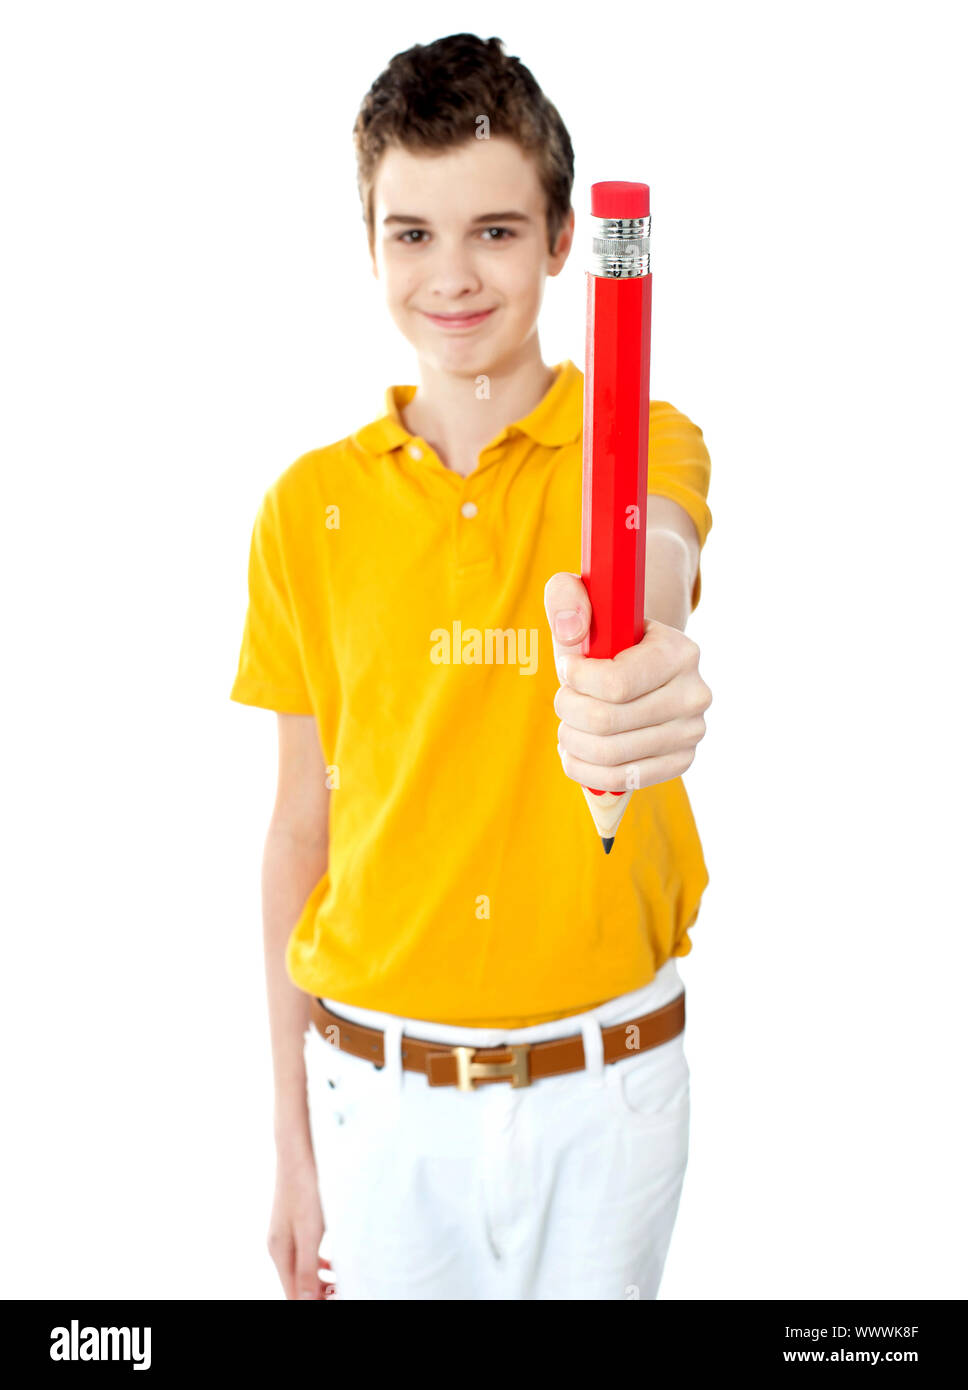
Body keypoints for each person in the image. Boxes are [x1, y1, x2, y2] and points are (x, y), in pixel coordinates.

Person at [229, 31, 713, 1301]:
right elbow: (298, 830)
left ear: (563, 240)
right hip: (381, 1113)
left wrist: (641, 659)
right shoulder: (304, 510)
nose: (452, 276)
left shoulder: (644, 440)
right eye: (412, 234)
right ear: (372, 242)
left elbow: (654, 549)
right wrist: (290, 1149)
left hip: (608, 1099)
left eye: (495, 231)